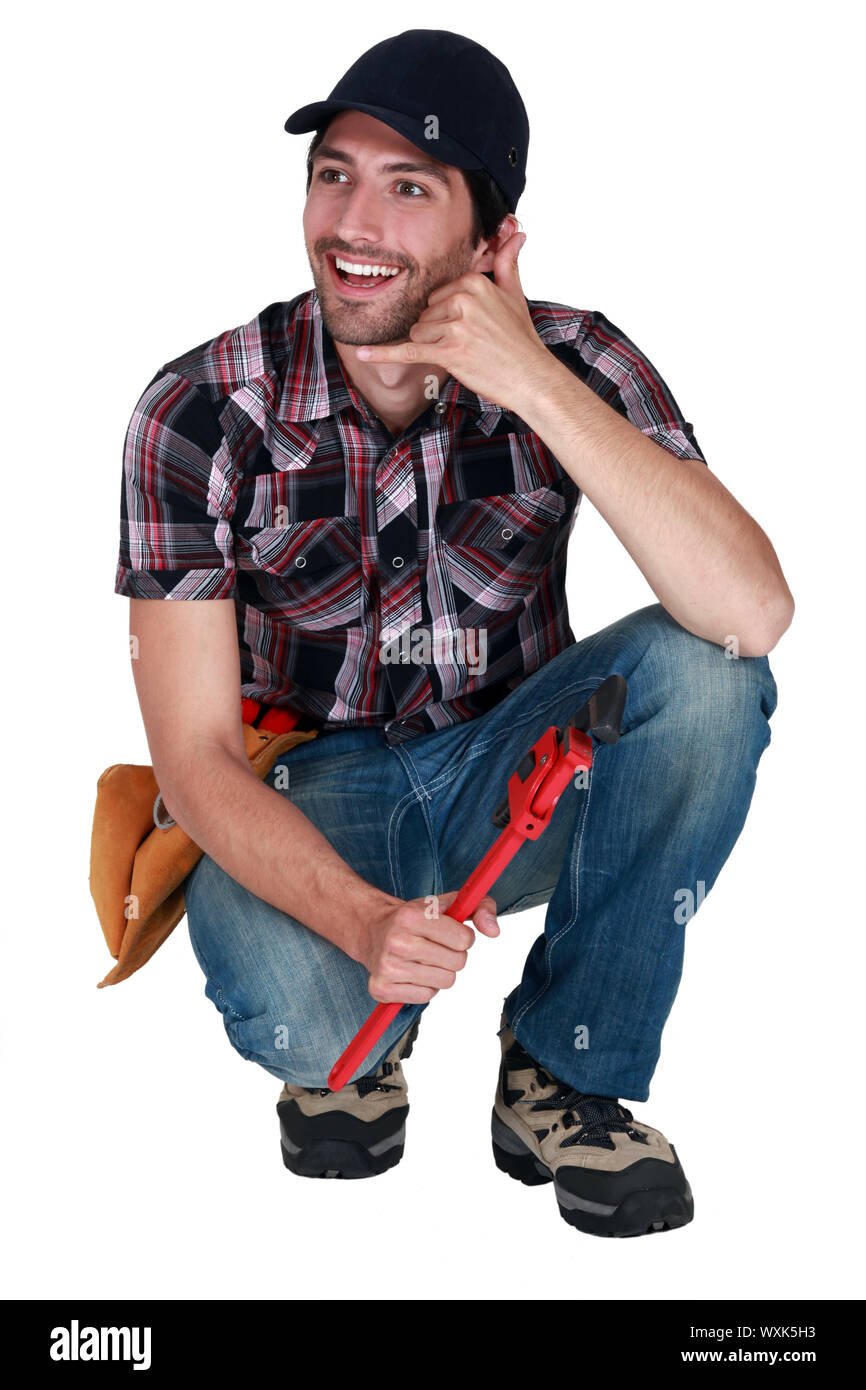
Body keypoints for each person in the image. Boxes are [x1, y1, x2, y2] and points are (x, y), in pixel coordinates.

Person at [116, 29, 793, 1237]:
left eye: (407, 187)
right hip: (307, 794)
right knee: (314, 1035)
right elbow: (192, 756)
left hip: (508, 780)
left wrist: (529, 378)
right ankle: (366, 1027)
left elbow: (748, 614)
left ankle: (558, 1063)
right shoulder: (201, 407)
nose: (351, 222)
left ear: (492, 242)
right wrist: (360, 920)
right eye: (333, 173)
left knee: (703, 671)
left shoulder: (578, 360)